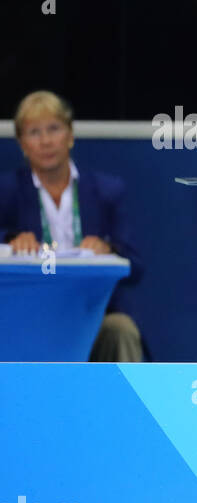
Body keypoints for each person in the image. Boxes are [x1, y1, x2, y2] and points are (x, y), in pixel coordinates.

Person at [0, 91, 143, 362]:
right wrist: (10, 240)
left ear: (70, 135)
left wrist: (108, 248)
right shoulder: (7, 191)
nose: (45, 141)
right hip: (28, 315)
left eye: (54, 129)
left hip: (90, 312)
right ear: (21, 144)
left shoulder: (106, 190)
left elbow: (135, 266)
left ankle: (125, 404)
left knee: (121, 329)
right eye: (34, 132)